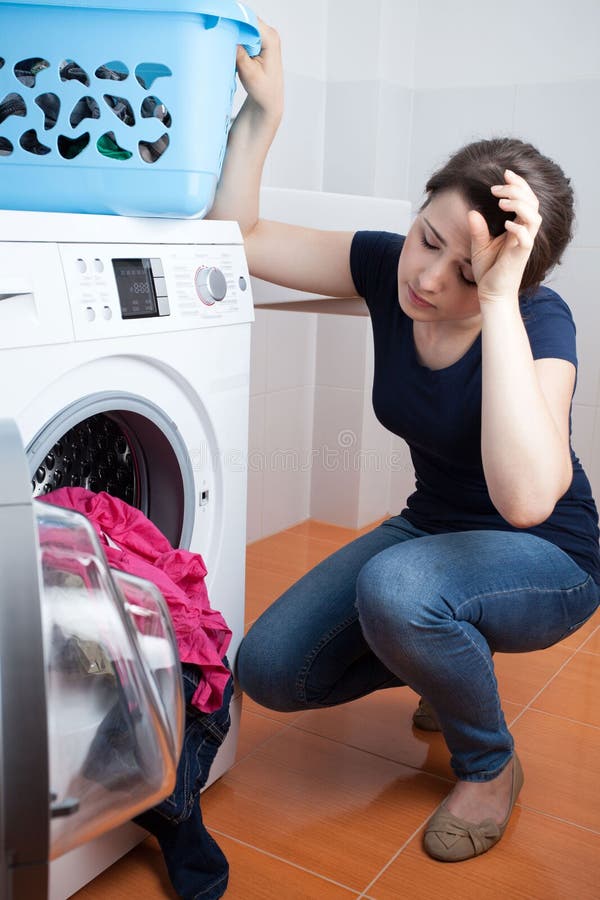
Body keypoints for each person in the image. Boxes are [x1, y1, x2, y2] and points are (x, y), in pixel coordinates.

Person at [209, 22, 600, 862]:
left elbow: (529, 501)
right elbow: (236, 241)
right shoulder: (392, 269)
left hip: (548, 563)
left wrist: (498, 300)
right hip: (433, 533)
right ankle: (443, 658)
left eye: (467, 270)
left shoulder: (537, 319)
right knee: (270, 668)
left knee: (398, 589)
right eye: (427, 238)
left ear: (507, 278)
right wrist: (261, 119)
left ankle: (488, 762)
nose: (426, 278)